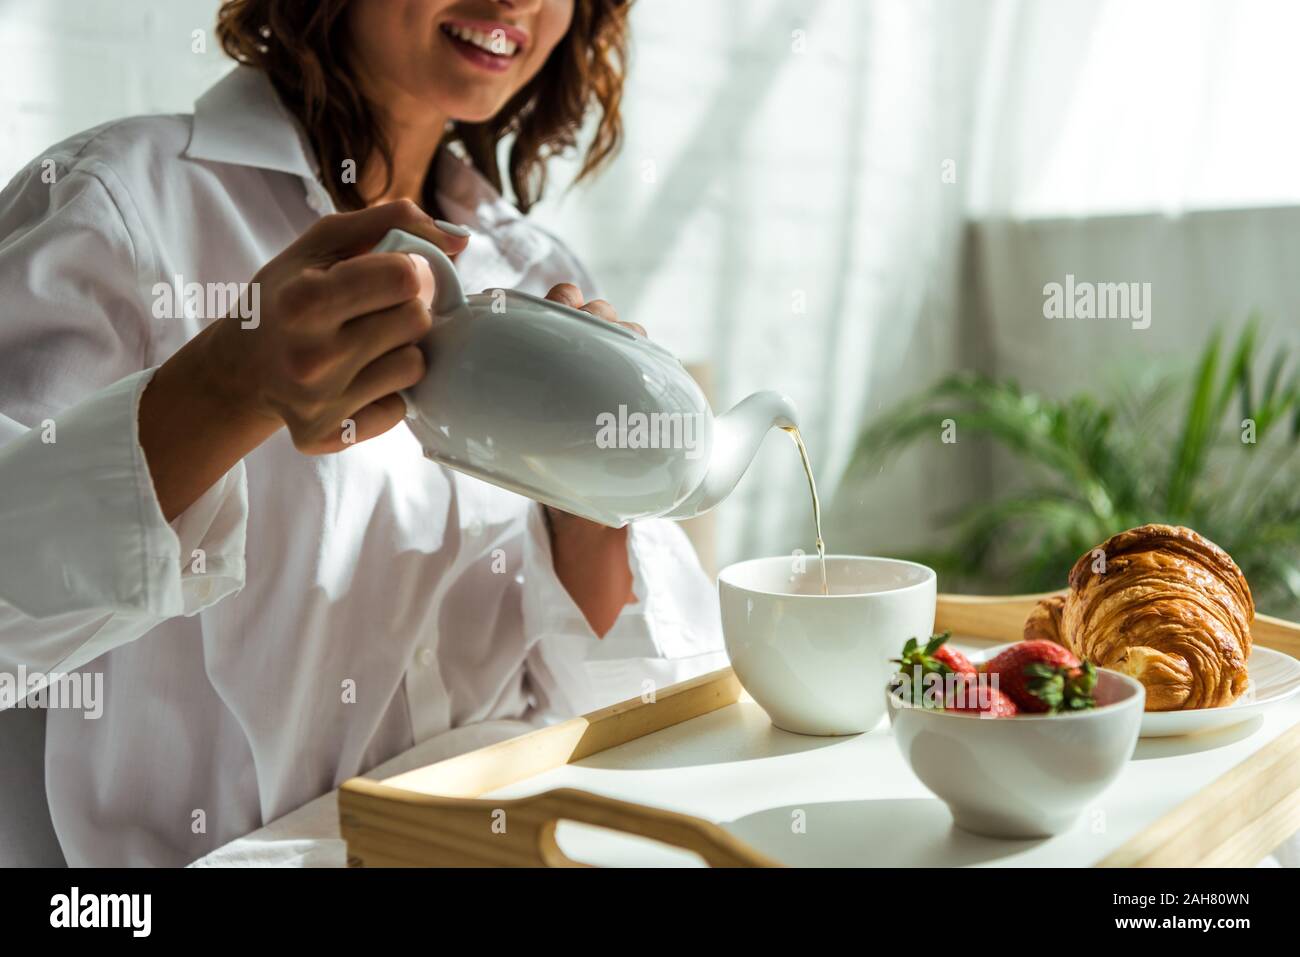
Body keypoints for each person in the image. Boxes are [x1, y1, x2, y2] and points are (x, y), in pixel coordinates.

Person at [0, 0, 724, 866]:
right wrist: (226, 388)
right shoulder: (123, 207)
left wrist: (595, 500)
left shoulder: (536, 273)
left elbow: (625, 706)